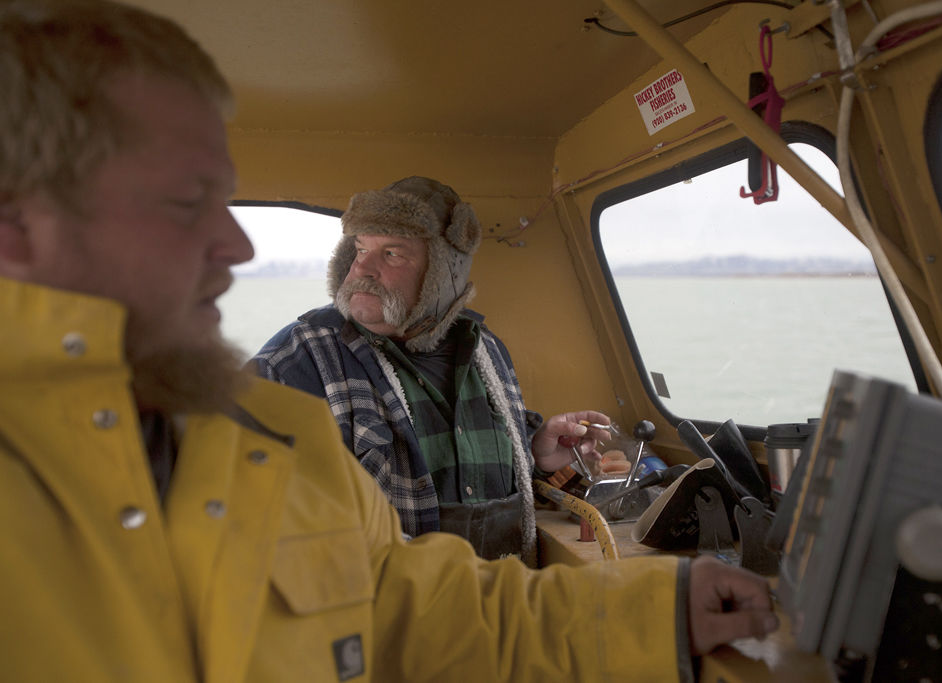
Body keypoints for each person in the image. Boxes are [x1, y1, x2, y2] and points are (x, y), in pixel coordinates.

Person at [0, 1, 778, 681]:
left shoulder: (277, 438)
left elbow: (416, 608)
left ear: (443, 272)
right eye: (184, 199)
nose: (237, 244)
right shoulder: (295, 368)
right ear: (16, 229)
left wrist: (659, 610)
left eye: (392, 253)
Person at [252, 175, 612, 563]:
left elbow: (471, 479)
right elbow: (257, 517)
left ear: (443, 274)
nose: (363, 270)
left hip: (504, 608)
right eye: (359, 249)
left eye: (392, 253)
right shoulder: (294, 360)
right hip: (385, 615)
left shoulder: (486, 350)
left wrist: (536, 456)